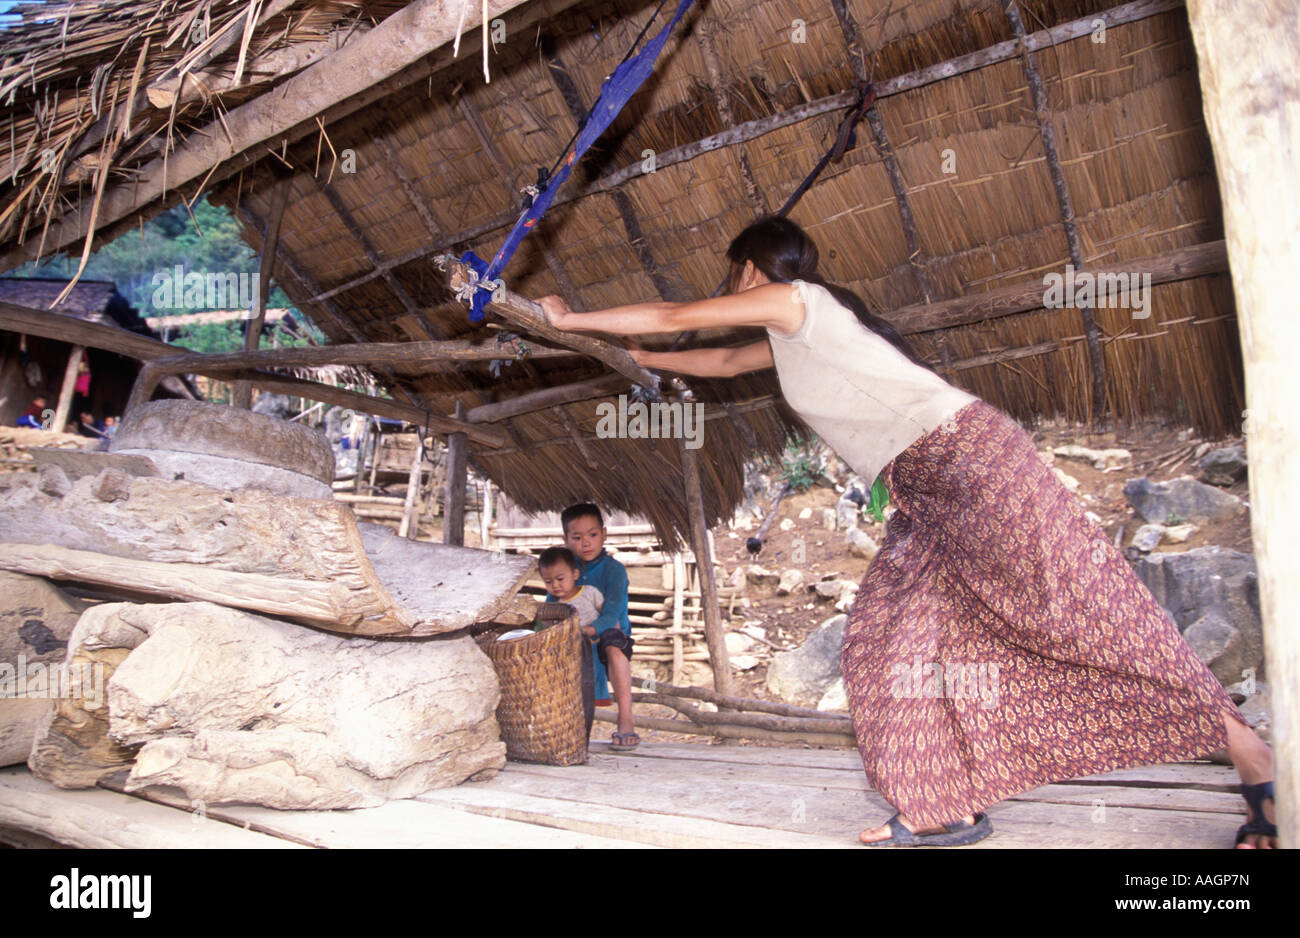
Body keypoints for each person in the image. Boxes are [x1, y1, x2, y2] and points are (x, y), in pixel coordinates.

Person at [538, 214, 1276, 848]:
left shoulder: (798, 300)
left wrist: (571, 320)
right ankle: (941, 807)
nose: (732, 292)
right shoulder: (797, 334)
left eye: (734, 277)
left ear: (751, 270)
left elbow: (675, 314)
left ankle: (1251, 757)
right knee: (886, 639)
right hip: (925, 493)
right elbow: (725, 359)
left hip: (970, 461)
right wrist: (638, 360)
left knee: (1081, 607)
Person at [559, 503, 638, 751]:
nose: (586, 543)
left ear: (604, 534)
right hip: (573, 635)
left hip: (609, 635)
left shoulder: (614, 571)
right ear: (566, 540)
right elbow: (553, 605)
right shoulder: (563, 570)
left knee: (614, 645)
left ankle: (626, 721)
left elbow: (612, 612)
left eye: (593, 535)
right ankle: (563, 727)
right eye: (577, 537)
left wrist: (588, 631)